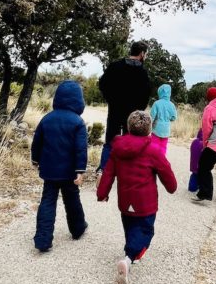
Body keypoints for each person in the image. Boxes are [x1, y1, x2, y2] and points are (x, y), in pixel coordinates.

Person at [96, 109, 177, 284]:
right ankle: (129, 259)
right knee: (146, 231)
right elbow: (166, 172)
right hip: (145, 203)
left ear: (128, 127)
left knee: (130, 227)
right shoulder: (153, 150)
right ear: (149, 130)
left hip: (125, 201)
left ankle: (130, 253)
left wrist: (102, 194)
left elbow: (108, 173)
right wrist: (172, 187)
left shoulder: (117, 149)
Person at [31, 80, 88, 252]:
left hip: (49, 171)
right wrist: (80, 171)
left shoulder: (46, 119)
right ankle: (78, 229)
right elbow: (80, 149)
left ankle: (43, 239)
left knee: (47, 202)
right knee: (72, 201)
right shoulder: (78, 122)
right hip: (69, 172)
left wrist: (35, 159)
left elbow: (37, 142)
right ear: (78, 101)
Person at [97, 41, 151, 172]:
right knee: (130, 141)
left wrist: (110, 100)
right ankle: (127, 169)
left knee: (110, 140)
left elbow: (102, 84)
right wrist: (139, 109)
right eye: (146, 54)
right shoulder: (143, 73)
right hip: (132, 114)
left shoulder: (115, 66)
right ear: (142, 54)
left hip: (115, 110)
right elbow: (146, 94)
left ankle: (103, 169)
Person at [149, 82, 178, 154]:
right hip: (166, 129)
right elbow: (174, 117)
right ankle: (161, 161)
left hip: (156, 129)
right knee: (163, 147)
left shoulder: (156, 103)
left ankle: (153, 162)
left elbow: (151, 117)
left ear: (160, 92)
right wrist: (168, 119)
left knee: (154, 147)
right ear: (169, 93)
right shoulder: (171, 105)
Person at [188, 127, 203, 192]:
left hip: (193, 165)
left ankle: (191, 188)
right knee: (202, 176)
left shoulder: (194, 142)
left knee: (194, 175)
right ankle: (201, 188)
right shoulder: (205, 144)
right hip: (201, 166)